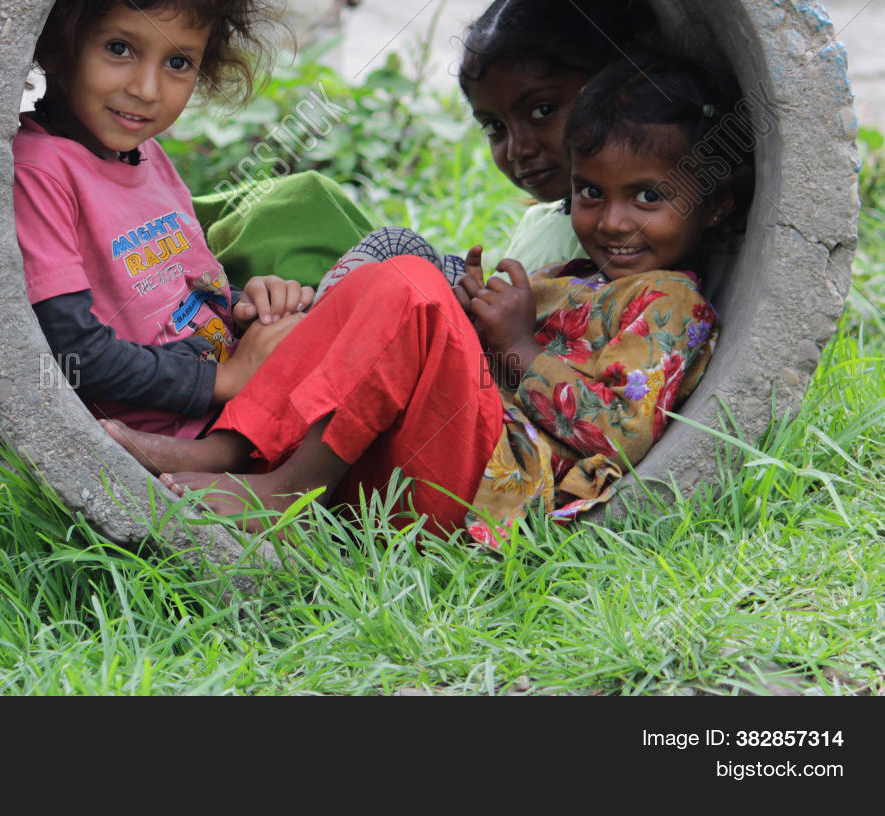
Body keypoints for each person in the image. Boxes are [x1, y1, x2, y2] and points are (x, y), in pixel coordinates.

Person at [106, 55, 754, 547]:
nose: (613, 222)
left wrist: (518, 346)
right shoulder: (581, 274)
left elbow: (618, 432)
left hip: (483, 487)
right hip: (422, 462)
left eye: (648, 197)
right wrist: (474, 320)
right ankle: (230, 450)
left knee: (410, 290)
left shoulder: (672, 302)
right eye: (590, 194)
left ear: (715, 201)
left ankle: (288, 492)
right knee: (388, 277)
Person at [14, 0, 312, 441]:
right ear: (57, 41)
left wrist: (250, 309)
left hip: (226, 395)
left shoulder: (145, 155)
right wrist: (226, 380)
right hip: (173, 431)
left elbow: (179, 297)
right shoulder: (39, 169)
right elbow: (75, 353)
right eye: (120, 49)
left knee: (385, 274)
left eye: (178, 62)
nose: (147, 89)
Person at [316, 0, 659, 297]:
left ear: (616, 88)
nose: (517, 149)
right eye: (495, 126)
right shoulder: (542, 220)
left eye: (542, 111)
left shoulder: (622, 238)